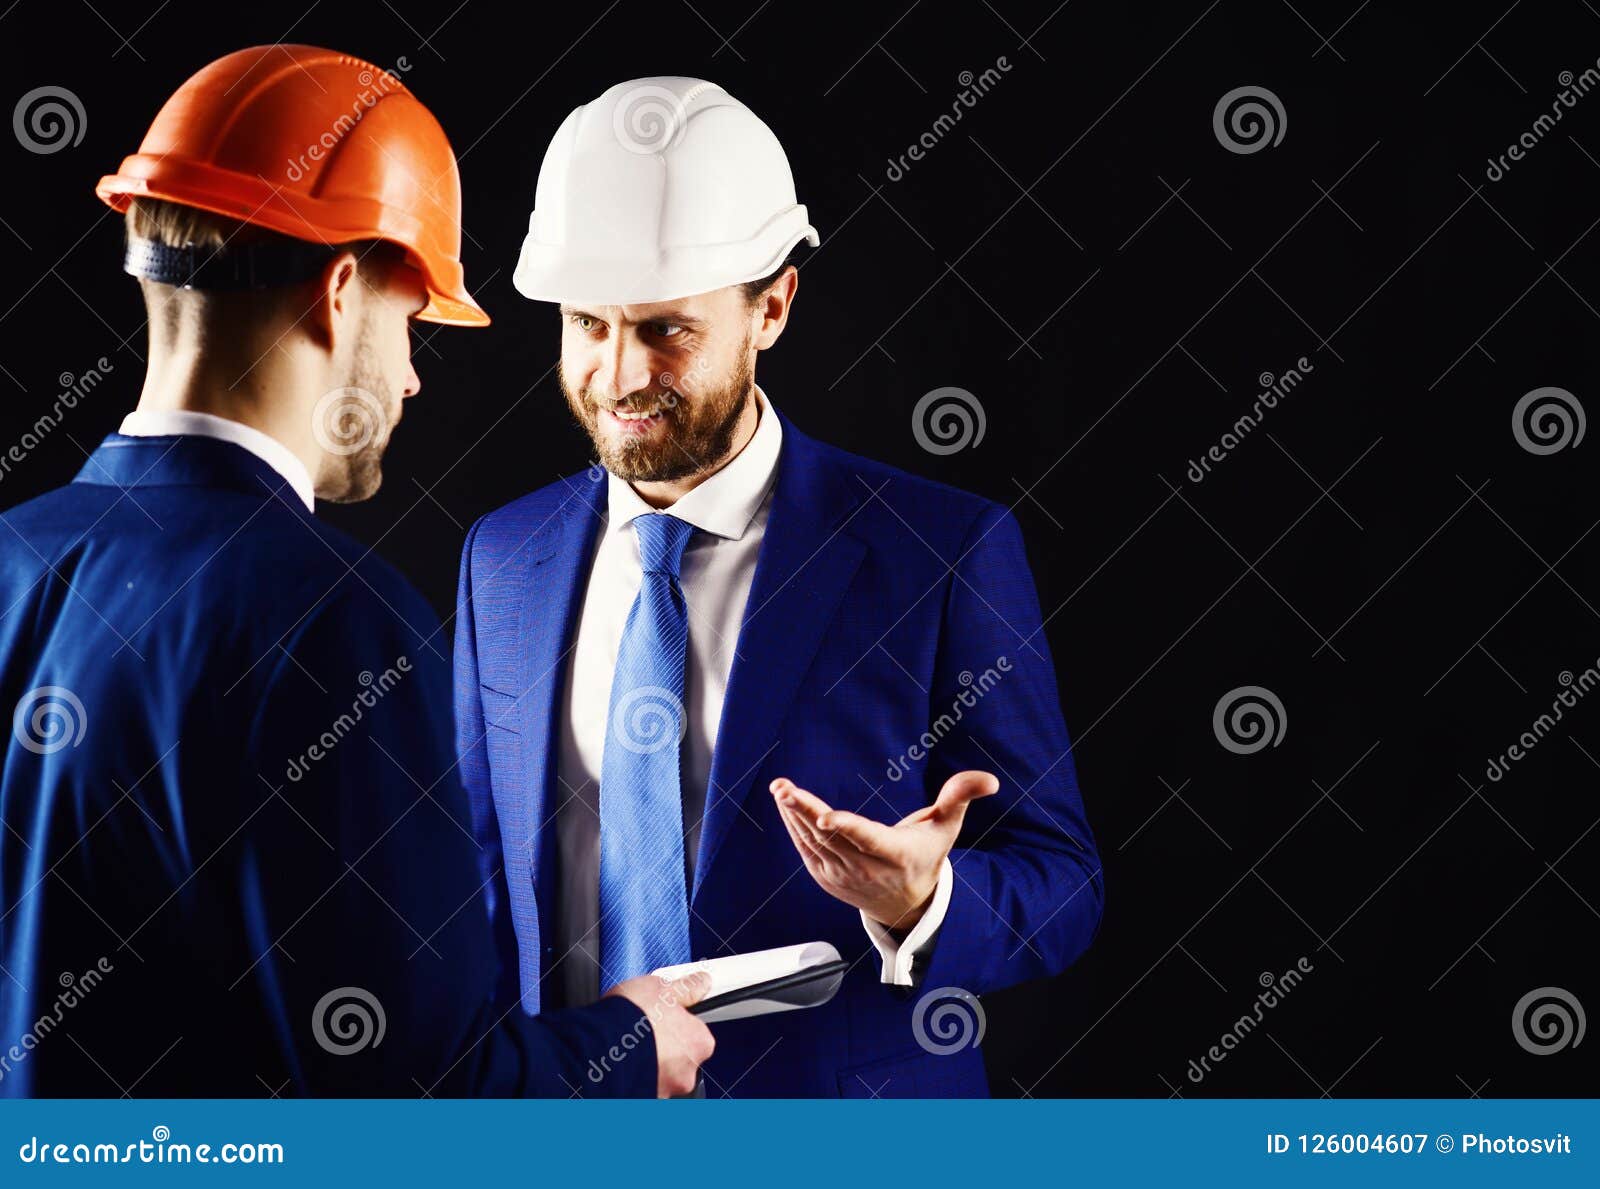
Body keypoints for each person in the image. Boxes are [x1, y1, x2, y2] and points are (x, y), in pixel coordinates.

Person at [0, 45, 712, 1100]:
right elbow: (421, 1096)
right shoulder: (329, 616)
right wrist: (626, 1047)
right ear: (341, 291)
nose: (416, 376)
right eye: (413, 319)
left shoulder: (16, 552)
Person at [454, 77, 1104, 1097]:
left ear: (771, 305)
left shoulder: (937, 550)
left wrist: (919, 899)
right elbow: (481, 883)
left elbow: (1061, 885)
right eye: (587, 323)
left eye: (667, 328)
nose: (620, 375)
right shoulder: (504, 557)